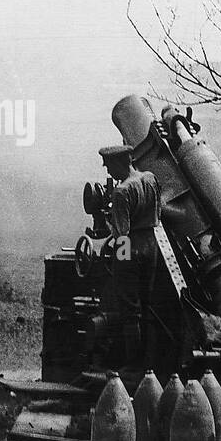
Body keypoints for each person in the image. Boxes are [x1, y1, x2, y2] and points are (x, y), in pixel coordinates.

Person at [99, 144, 161, 372]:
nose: (107, 171)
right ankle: (150, 363)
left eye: (109, 165)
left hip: (131, 247)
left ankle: (133, 366)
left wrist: (121, 263)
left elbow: (121, 233)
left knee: (129, 310)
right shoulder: (150, 178)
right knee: (147, 306)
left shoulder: (122, 191)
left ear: (120, 163)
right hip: (152, 245)